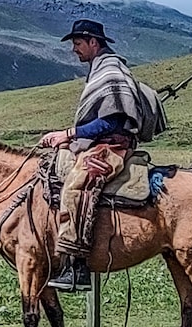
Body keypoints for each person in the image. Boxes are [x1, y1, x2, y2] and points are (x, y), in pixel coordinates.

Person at [39, 19, 163, 293]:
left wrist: (68, 134)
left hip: (112, 146)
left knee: (78, 185)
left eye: (78, 43)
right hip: (99, 143)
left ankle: (78, 264)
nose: (74, 49)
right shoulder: (101, 69)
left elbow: (111, 122)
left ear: (94, 43)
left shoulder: (111, 72)